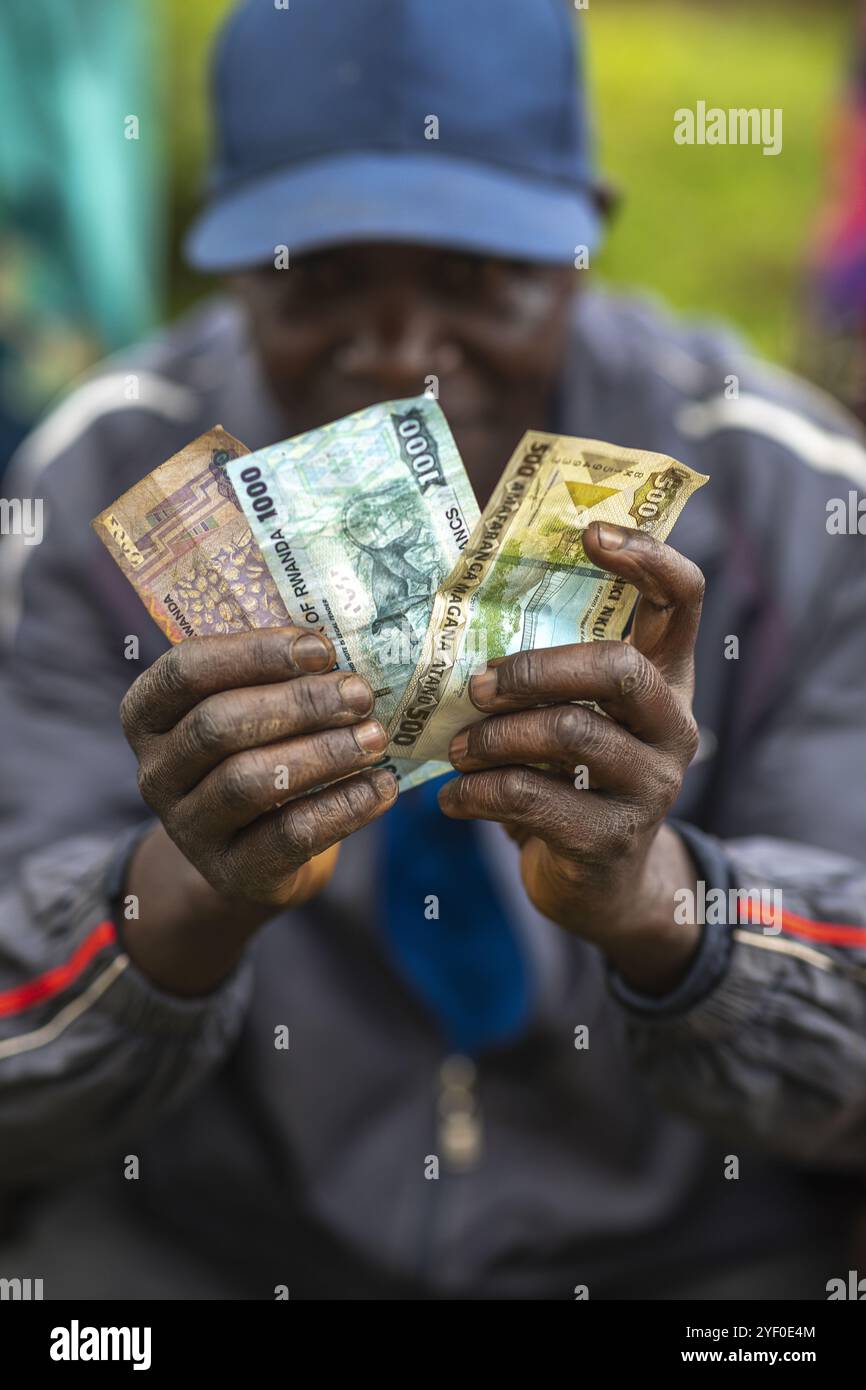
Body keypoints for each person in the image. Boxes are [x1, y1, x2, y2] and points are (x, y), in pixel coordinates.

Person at [1, 0, 866, 1301]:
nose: (401, 361)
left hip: (681, 1264)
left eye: (476, 281)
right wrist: (186, 893)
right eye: (320, 282)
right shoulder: (102, 484)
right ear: (233, 268)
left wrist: (660, 905)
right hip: (221, 1251)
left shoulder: (784, 491)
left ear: (580, 244)